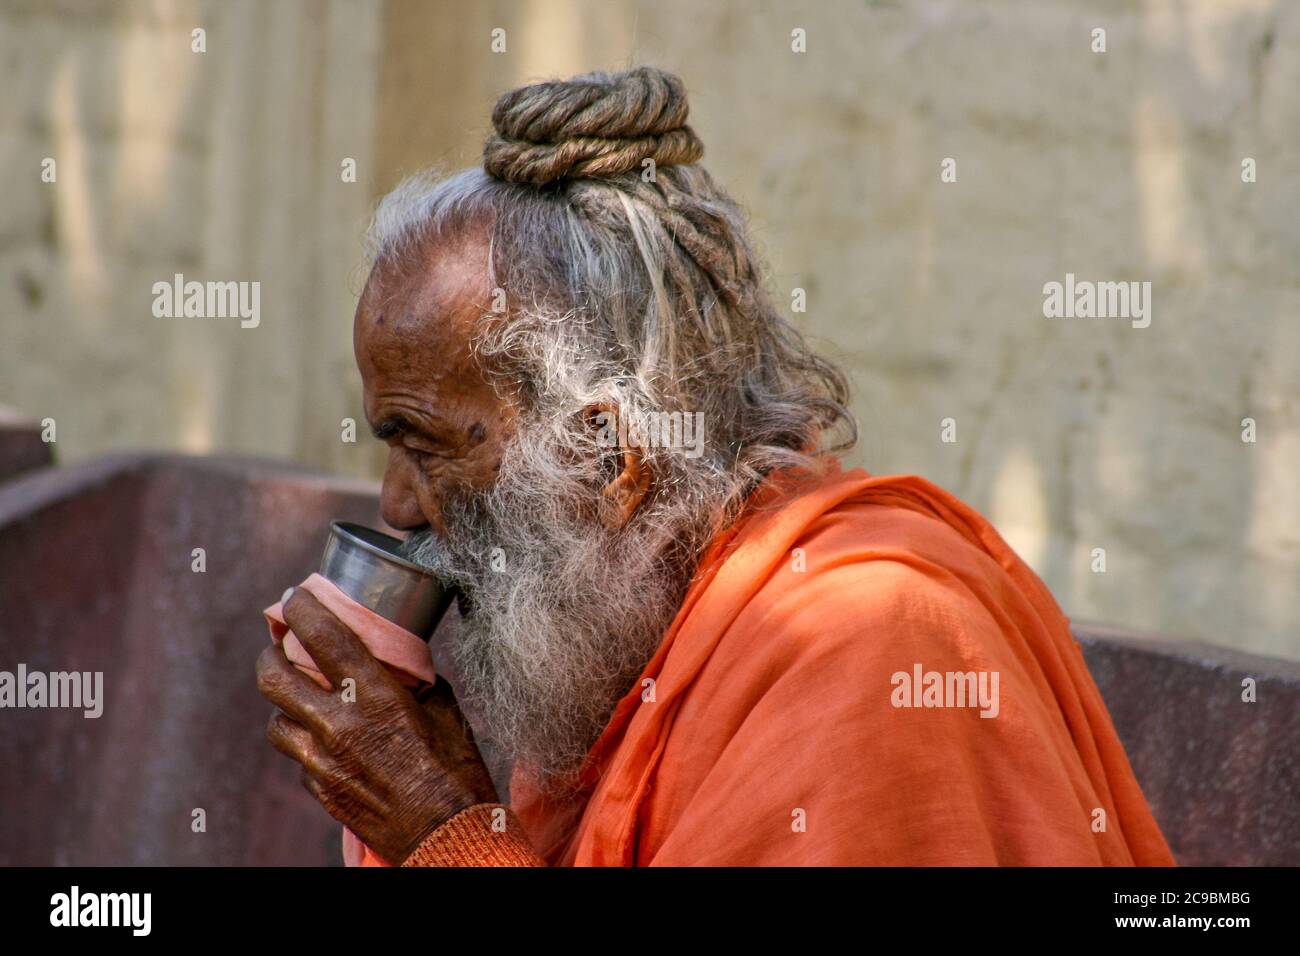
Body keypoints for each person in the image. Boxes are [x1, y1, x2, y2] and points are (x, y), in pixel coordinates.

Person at [255, 65, 1175, 867]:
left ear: (606, 456)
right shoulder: (620, 612)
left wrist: (443, 835)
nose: (398, 505)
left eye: (421, 444)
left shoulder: (867, 649)